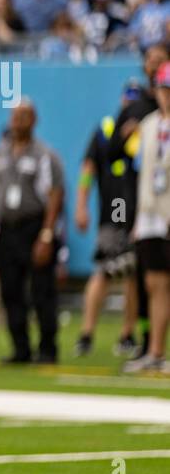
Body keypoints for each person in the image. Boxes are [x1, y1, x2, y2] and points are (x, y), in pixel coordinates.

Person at [0, 101, 64, 364]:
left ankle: (48, 347)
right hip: (6, 228)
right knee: (10, 291)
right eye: (15, 116)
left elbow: (55, 196)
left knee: (42, 290)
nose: (18, 121)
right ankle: (20, 348)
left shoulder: (45, 155)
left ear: (34, 120)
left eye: (24, 116)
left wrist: (47, 235)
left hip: (34, 226)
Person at [75, 92, 141, 358]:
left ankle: (127, 334)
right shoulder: (106, 130)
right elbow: (87, 169)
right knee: (105, 269)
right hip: (114, 211)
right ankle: (86, 334)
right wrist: (81, 206)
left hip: (139, 214)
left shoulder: (147, 130)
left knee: (133, 276)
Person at [126, 61, 170, 374]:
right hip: (151, 214)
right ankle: (155, 351)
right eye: (163, 89)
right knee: (154, 284)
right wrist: (138, 219)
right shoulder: (150, 124)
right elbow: (140, 172)